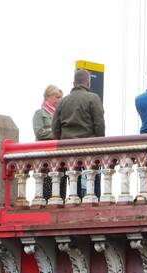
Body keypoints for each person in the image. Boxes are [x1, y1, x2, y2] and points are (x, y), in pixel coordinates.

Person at [53, 69, 106, 198]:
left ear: (73, 83)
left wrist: (62, 142)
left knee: (73, 183)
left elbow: (55, 128)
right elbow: (99, 125)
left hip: (68, 150)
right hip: (89, 149)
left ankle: (72, 202)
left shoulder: (62, 102)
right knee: (92, 186)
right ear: (88, 83)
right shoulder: (93, 98)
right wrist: (99, 146)